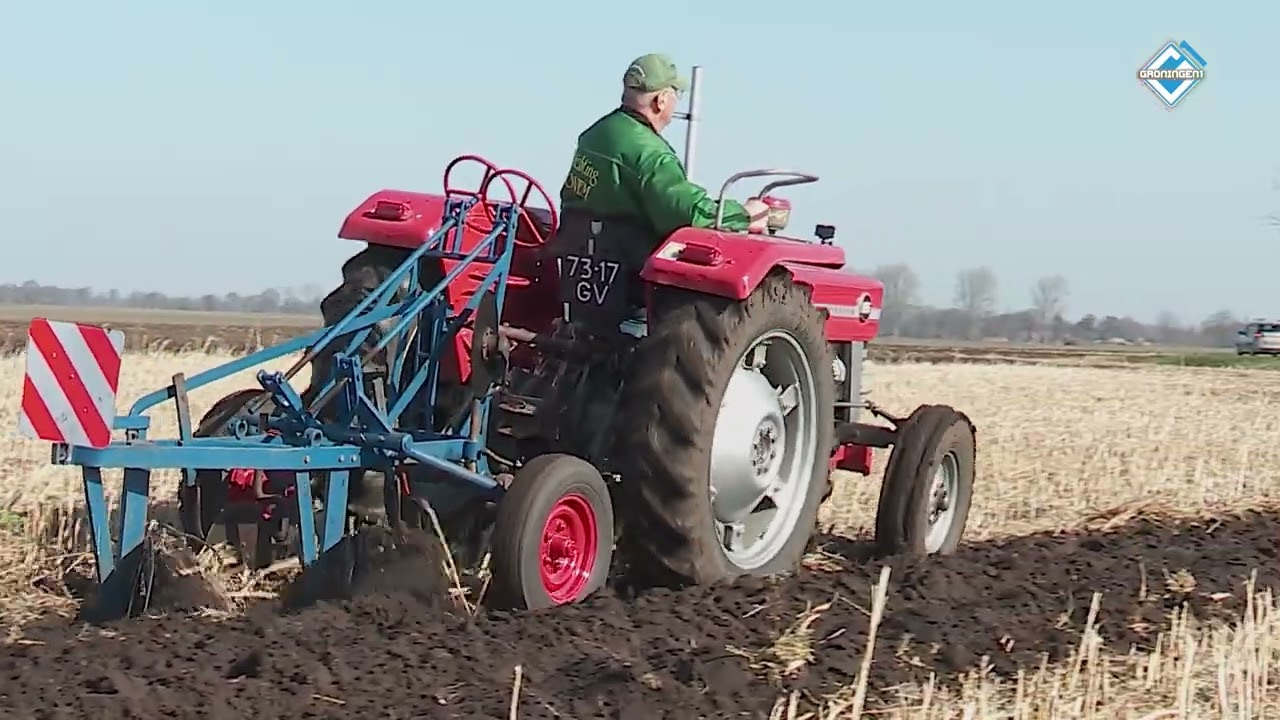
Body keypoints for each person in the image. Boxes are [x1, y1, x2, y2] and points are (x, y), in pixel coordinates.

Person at [558, 53, 770, 239]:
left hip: (581, 264)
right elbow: (689, 213)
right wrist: (745, 214)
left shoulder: (593, 135)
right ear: (660, 100)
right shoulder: (652, 156)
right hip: (631, 272)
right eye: (676, 94)